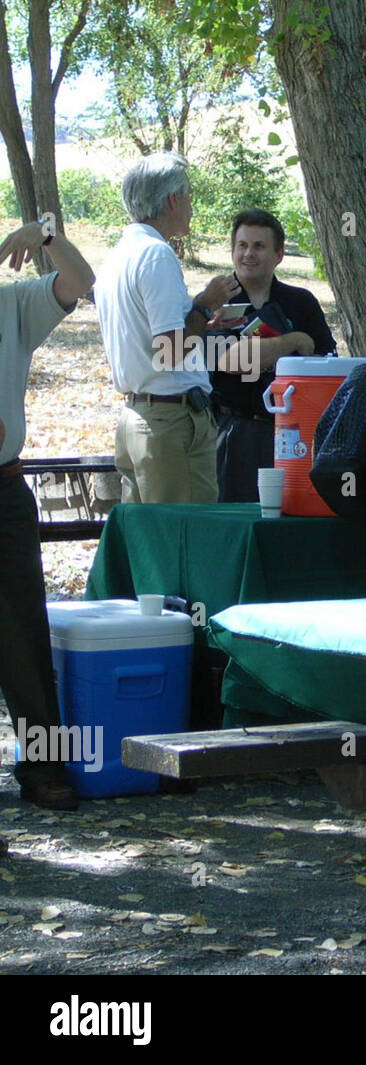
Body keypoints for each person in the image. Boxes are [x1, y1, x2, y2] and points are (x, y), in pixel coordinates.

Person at [0, 220, 96, 816]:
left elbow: (80, 281)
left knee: (24, 639)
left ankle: (44, 765)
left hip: (4, 490)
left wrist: (45, 233)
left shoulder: (11, 305)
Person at [95, 152, 241, 503]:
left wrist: (202, 319)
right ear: (173, 199)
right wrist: (206, 302)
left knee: (151, 543)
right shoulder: (156, 255)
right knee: (185, 541)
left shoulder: (116, 258)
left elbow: (152, 338)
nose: (191, 205)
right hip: (171, 422)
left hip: (138, 418)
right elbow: (169, 350)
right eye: (188, 195)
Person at [206, 208, 336, 502]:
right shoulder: (217, 302)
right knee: (235, 520)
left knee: (290, 517)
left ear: (279, 254)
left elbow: (324, 360)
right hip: (233, 433)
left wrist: (273, 352)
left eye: (259, 246)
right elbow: (233, 360)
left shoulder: (301, 302)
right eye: (242, 246)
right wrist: (294, 340)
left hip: (293, 433)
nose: (248, 254)